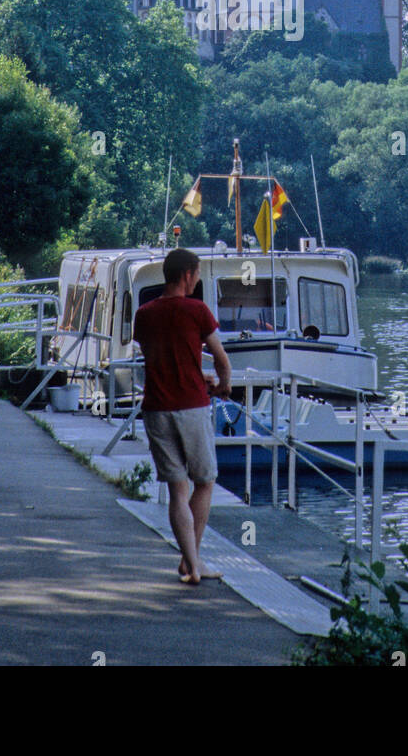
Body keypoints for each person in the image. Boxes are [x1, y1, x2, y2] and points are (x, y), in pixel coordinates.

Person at [132, 248, 232, 586]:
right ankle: (193, 563)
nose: (198, 280)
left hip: (156, 408)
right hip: (191, 406)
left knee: (178, 489)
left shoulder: (144, 314)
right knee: (204, 481)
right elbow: (221, 360)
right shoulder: (198, 311)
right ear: (187, 274)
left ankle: (190, 563)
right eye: (198, 273)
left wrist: (195, 373)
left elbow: (160, 358)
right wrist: (222, 386)